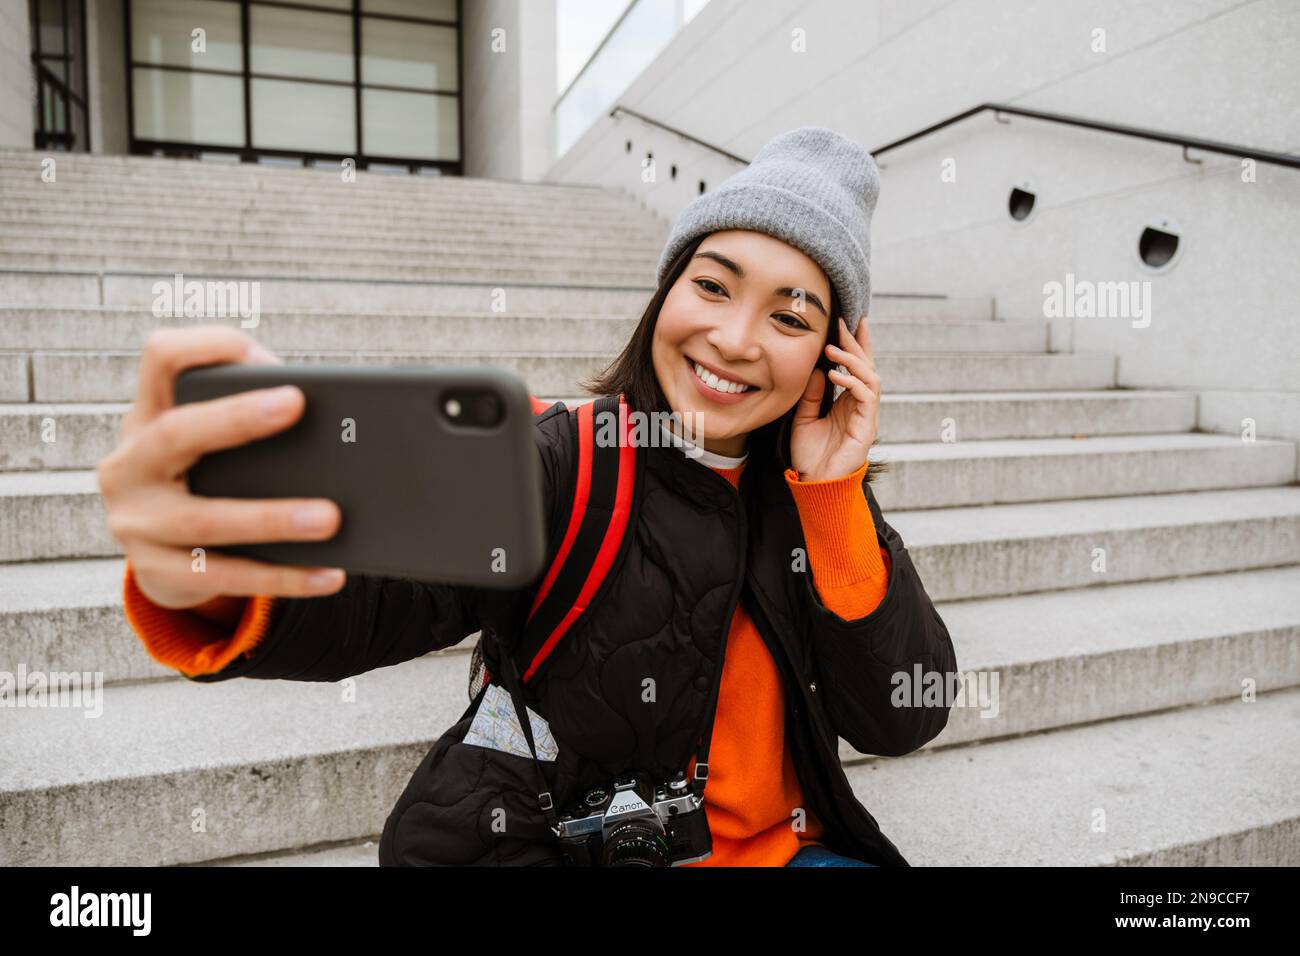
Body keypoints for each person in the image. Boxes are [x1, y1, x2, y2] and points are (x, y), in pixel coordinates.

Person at [98, 126, 958, 867]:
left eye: (790, 317)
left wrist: (836, 490)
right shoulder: (561, 459)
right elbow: (376, 602)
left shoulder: (817, 496)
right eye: (712, 284)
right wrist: (211, 576)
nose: (733, 340)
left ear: (833, 357)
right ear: (666, 290)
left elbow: (901, 715)